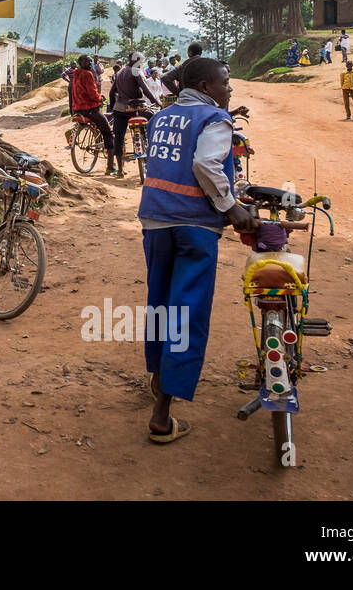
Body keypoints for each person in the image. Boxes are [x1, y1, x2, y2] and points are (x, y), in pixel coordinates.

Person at [137, 57, 258, 444]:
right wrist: (232, 207)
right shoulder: (214, 118)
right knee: (186, 313)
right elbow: (206, 164)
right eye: (225, 82)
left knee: (160, 303)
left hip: (156, 220)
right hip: (194, 226)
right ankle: (162, 415)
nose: (229, 89)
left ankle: (159, 378)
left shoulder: (162, 116)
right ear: (206, 86)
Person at [71, 55, 120, 177]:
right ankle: (110, 166)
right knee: (108, 133)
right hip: (90, 109)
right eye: (85, 61)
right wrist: (100, 98)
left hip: (78, 108)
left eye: (89, 60)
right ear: (81, 62)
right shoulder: (87, 74)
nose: (88, 62)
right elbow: (92, 92)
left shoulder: (76, 73)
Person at [111, 52, 152, 173]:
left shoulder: (119, 73)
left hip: (119, 108)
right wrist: (157, 101)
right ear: (135, 60)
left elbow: (112, 92)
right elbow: (145, 89)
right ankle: (150, 155)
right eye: (140, 61)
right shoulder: (135, 71)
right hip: (134, 108)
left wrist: (114, 106)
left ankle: (119, 169)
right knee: (149, 124)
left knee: (118, 137)